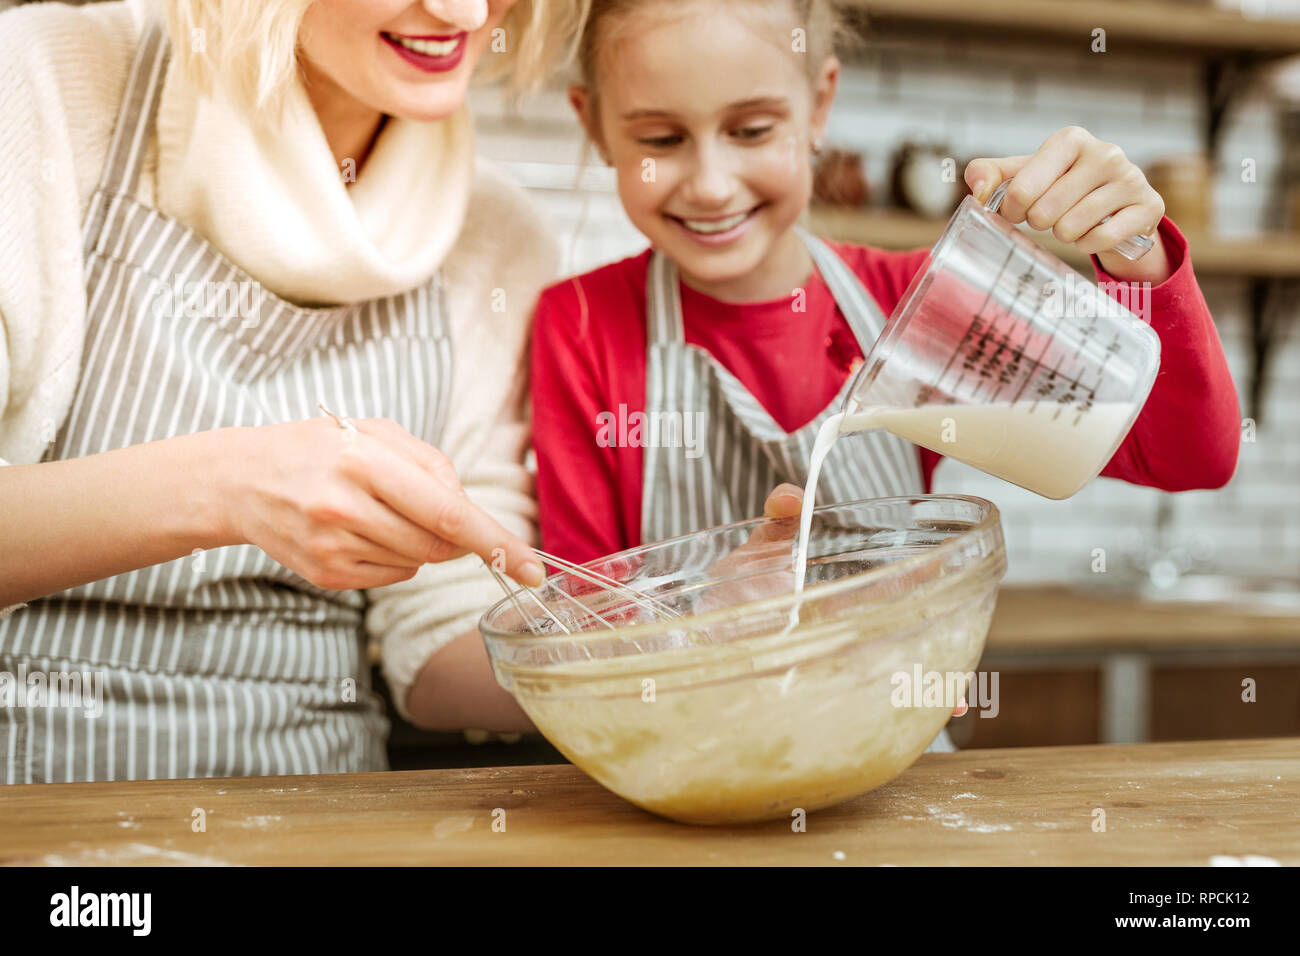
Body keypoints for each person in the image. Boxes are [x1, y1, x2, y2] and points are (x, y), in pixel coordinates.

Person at [529, 0, 1241, 751]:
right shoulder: (579, 323)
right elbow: (582, 638)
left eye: (751, 130)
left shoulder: (919, 302)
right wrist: (716, 618)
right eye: (661, 138)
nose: (710, 183)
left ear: (819, 105)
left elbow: (1190, 456)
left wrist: (1132, 248)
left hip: (893, 767)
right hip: (679, 766)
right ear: (594, 125)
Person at [0, 0, 585, 784]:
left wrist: (675, 651)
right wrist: (228, 490)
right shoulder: (43, 81)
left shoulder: (498, 238)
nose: (464, 11)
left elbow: (439, 641)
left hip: (320, 813)